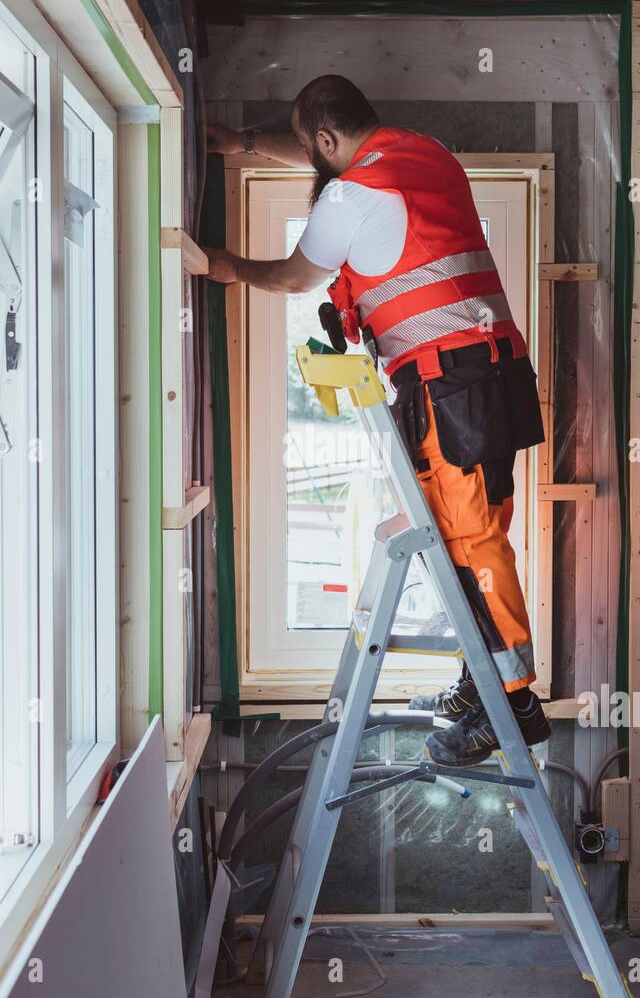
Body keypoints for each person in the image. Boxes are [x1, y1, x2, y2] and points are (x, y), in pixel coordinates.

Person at [205, 74, 549, 767]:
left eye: (311, 148)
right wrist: (245, 143)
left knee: (471, 541)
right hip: (493, 372)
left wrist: (228, 265)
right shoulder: (424, 154)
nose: (310, 160)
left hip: (448, 383)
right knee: (478, 531)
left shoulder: (348, 194)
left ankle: (512, 700)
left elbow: (300, 276)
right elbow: (328, 164)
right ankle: (483, 679)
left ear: (329, 141)